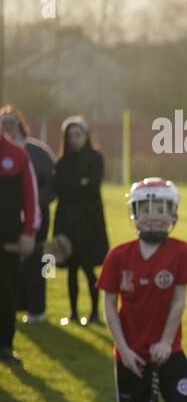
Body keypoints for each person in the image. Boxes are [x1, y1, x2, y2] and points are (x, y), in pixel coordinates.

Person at [98, 178, 187, 402]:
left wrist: (166, 342)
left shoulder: (181, 251)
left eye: (161, 209)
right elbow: (109, 306)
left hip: (169, 351)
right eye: (147, 209)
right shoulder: (118, 256)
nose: (154, 216)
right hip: (130, 353)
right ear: (134, 213)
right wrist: (124, 350)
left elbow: (179, 302)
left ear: (173, 214)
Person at [53, 116, 110, 327]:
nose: (74, 140)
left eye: (78, 135)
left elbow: (91, 186)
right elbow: (59, 187)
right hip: (67, 222)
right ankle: (74, 313)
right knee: (71, 268)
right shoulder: (62, 162)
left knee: (88, 268)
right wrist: (79, 184)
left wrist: (73, 186)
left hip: (89, 223)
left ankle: (95, 313)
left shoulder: (95, 159)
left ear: (86, 136)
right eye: (70, 136)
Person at [1, 107, 56, 323]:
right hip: (10, 220)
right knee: (14, 268)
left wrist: (35, 204)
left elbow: (52, 183)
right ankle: (17, 306)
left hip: (37, 218)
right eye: (3, 122)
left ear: (19, 123)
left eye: (11, 122)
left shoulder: (37, 151)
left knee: (40, 262)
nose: (8, 126)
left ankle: (38, 308)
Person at [0, 132, 40, 365]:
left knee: (6, 293)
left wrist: (28, 233)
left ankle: (5, 345)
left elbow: (31, 197)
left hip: (10, 239)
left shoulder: (17, 155)